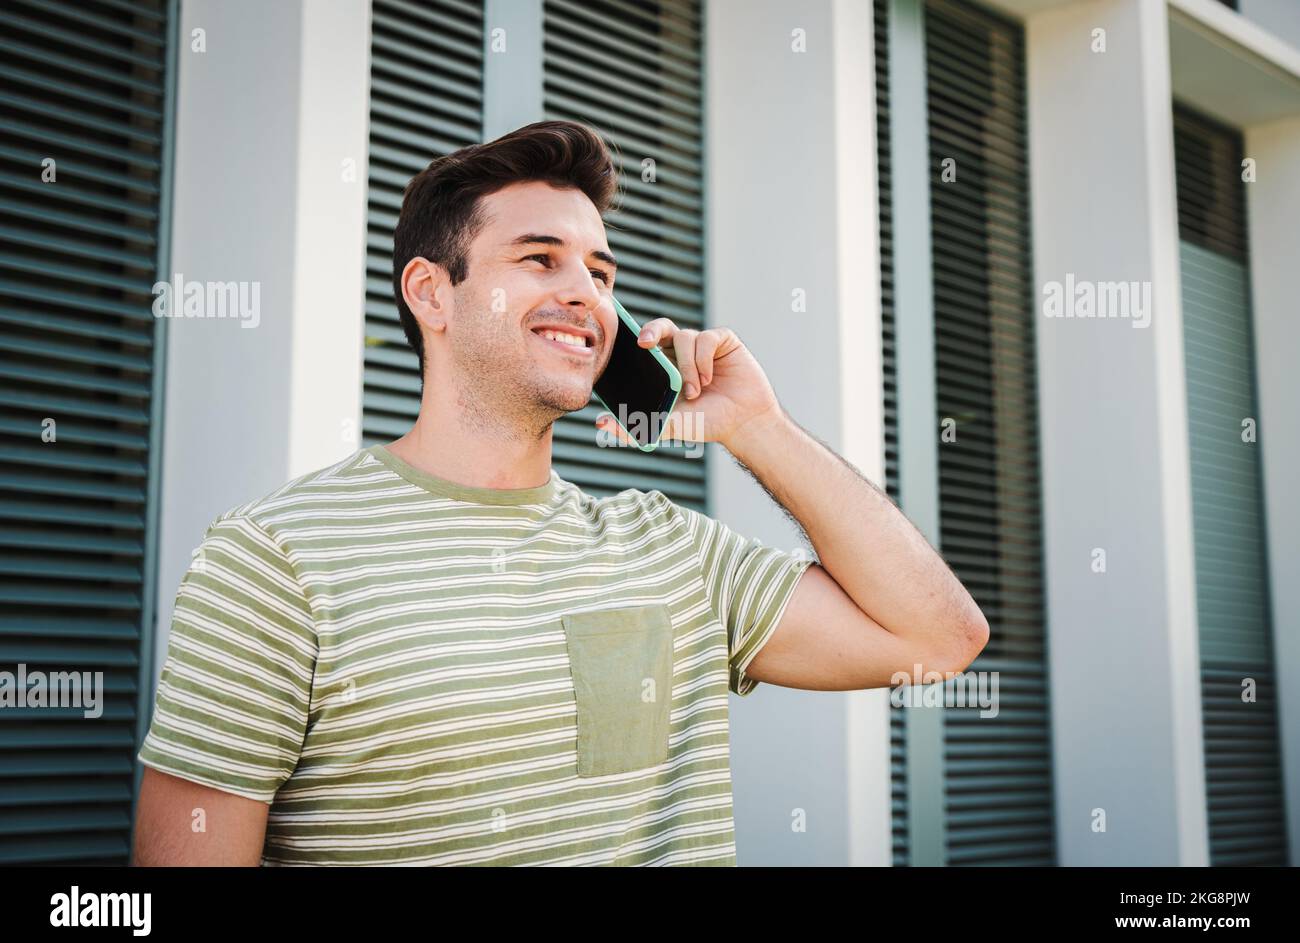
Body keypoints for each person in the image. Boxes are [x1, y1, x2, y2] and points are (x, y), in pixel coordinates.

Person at [132, 119, 988, 866]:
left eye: (602, 273)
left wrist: (757, 426)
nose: (586, 292)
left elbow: (939, 636)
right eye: (540, 259)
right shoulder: (275, 560)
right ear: (433, 293)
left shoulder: (670, 548)